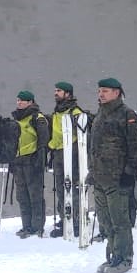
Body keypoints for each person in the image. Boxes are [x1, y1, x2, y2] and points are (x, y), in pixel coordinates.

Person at [89, 78, 137, 273]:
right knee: (106, 221)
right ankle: (112, 256)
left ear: (117, 93)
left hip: (118, 178)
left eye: (105, 90)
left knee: (120, 221)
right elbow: (94, 147)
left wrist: (130, 171)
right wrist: (91, 171)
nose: (101, 94)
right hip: (100, 177)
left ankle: (124, 258)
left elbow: (136, 146)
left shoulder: (126, 114)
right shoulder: (100, 115)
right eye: (99, 90)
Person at [49, 81, 87, 239]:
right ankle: (65, 218)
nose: (55, 93)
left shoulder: (75, 112)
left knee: (73, 186)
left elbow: (82, 135)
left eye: (59, 91)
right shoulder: (57, 112)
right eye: (55, 90)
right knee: (61, 187)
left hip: (72, 153)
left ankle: (76, 220)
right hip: (58, 152)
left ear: (68, 94)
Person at [11, 91, 50, 238]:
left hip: (32, 161)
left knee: (35, 196)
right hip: (19, 161)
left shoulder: (37, 118)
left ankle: (37, 227)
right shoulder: (17, 120)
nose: (19, 103)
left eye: (23, 101)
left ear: (31, 102)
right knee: (22, 196)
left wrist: (39, 159)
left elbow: (43, 140)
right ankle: (26, 226)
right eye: (18, 100)